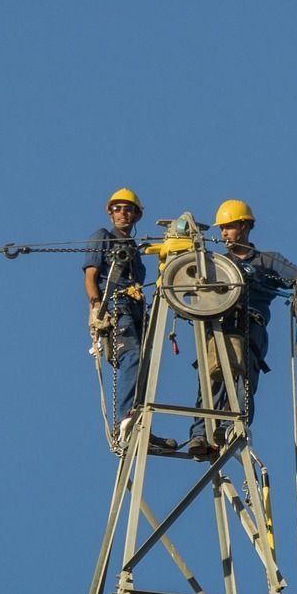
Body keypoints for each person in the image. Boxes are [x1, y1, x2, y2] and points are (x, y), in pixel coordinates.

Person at [187, 199, 297, 459]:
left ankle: (231, 427)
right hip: (220, 325)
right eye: (222, 228)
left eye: (229, 227)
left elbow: (296, 273)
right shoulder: (217, 263)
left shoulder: (266, 260)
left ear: (245, 226)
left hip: (251, 326)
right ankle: (201, 435)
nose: (224, 233)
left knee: (242, 379)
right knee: (212, 380)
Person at [84, 188, 174, 453]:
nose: (122, 213)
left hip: (136, 309)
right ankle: (125, 420)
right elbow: (91, 277)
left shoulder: (134, 248)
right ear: (110, 213)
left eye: (128, 209)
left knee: (145, 367)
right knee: (132, 357)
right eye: (117, 209)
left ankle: (141, 426)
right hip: (116, 305)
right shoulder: (103, 236)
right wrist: (96, 307)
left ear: (136, 215)